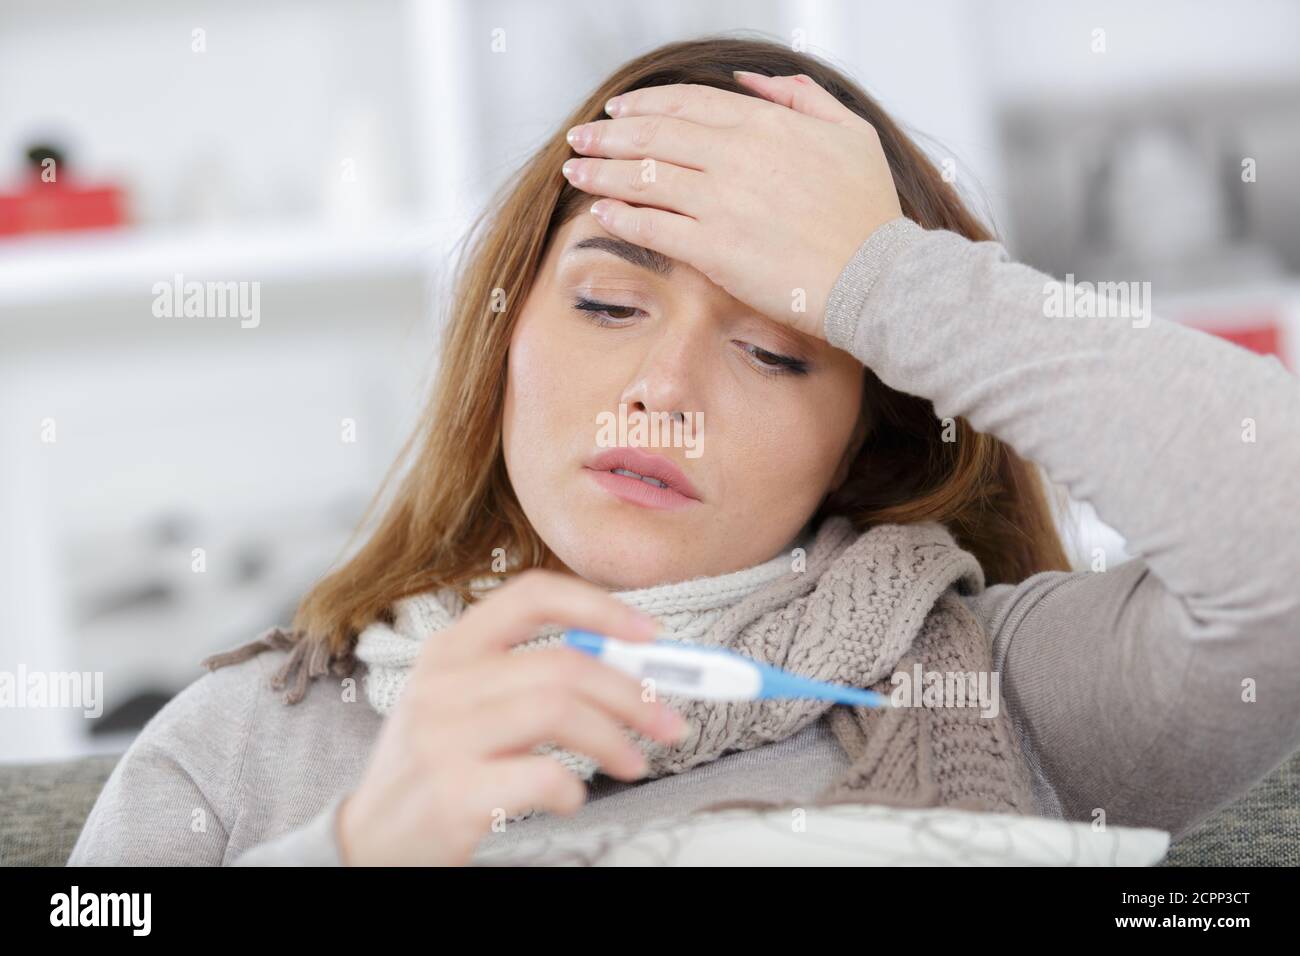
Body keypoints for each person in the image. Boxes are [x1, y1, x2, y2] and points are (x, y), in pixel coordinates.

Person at [69, 37, 1300, 867]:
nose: (661, 389)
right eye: (607, 307)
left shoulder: (1009, 688)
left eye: (777, 351)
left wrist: (890, 278)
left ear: (858, 435)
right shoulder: (241, 739)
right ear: (504, 338)